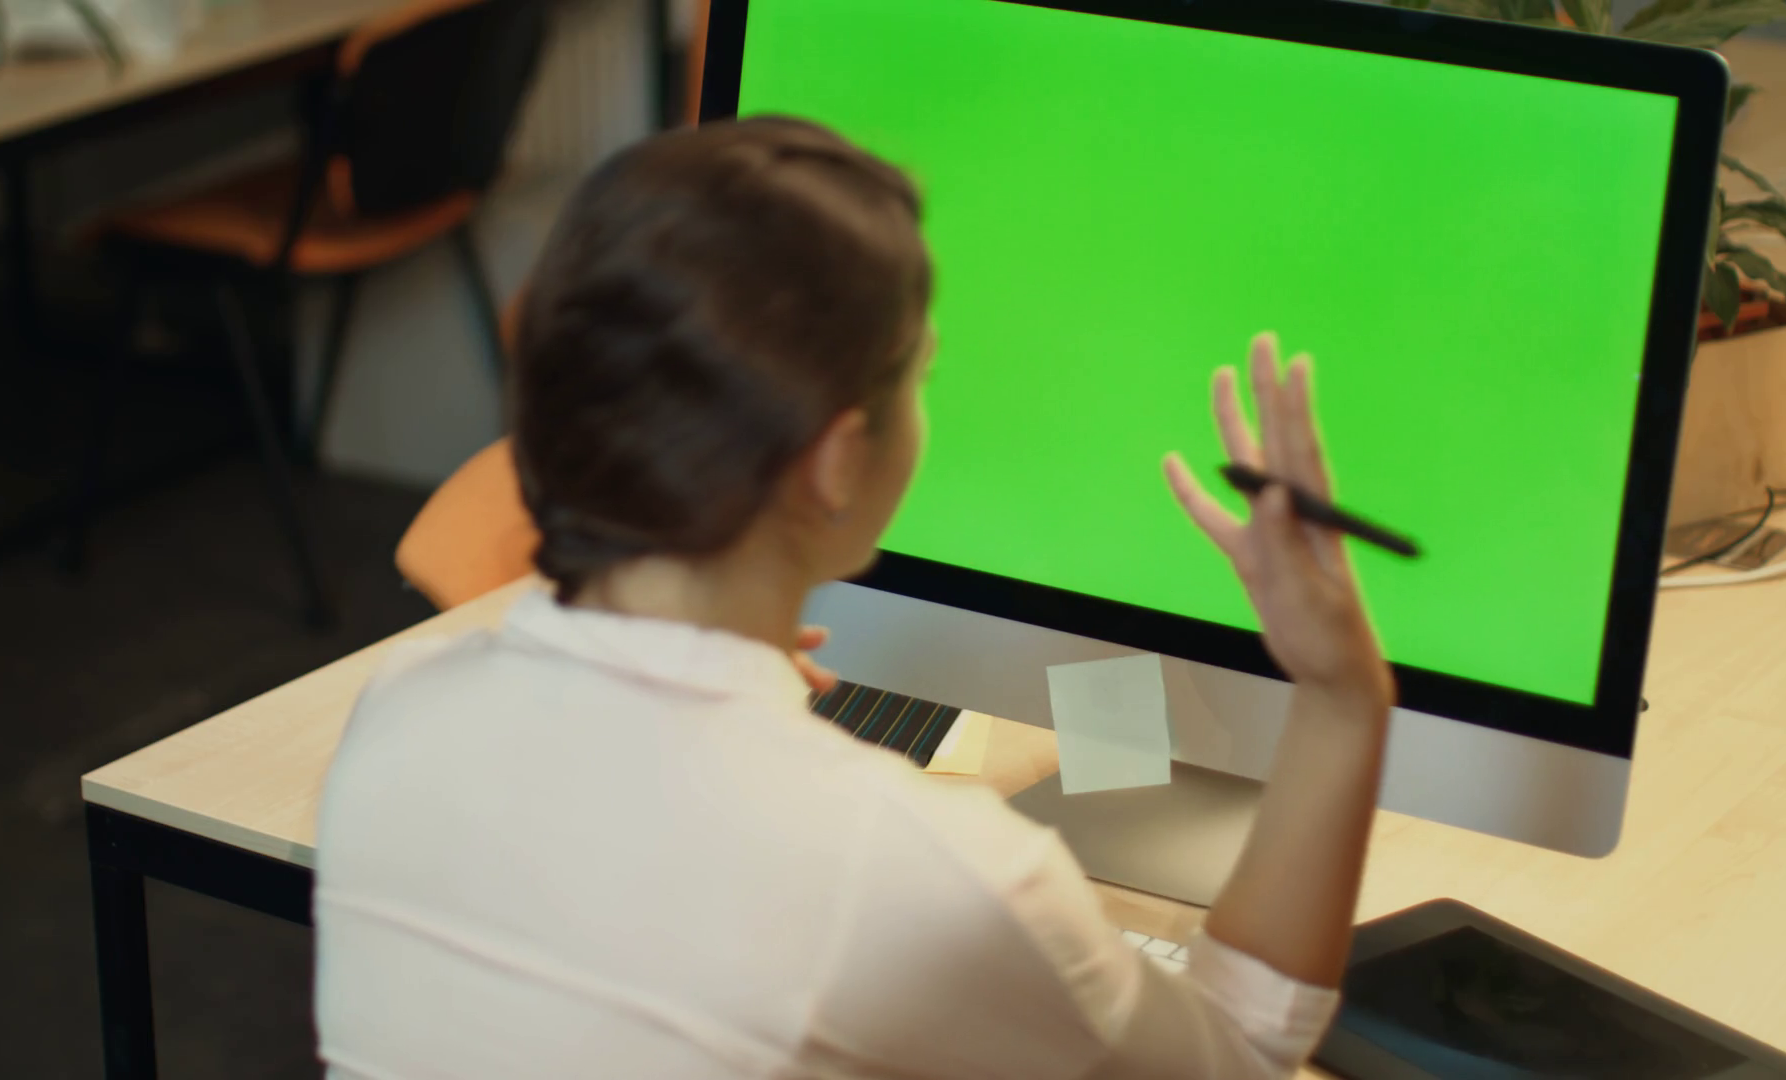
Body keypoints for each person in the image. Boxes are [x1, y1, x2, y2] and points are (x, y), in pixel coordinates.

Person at [313, 117, 1395, 1079]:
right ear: (835, 462)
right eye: (920, 374)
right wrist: (1343, 696)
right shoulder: (927, 875)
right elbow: (1238, 1052)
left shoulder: (397, 705)